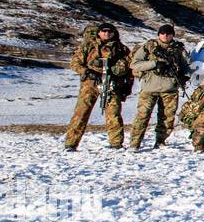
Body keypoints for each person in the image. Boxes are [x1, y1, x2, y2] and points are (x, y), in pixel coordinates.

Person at [66, 22, 132, 151]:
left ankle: (116, 144)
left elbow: (129, 69)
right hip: (90, 84)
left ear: (114, 33)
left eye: (110, 32)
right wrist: (86, 71)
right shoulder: (88, 46)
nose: (106, 34)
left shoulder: (121, 49)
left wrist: (126, 87)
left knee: (114, 114)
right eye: (104, 32)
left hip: (112, 84)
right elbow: (75, 63)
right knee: (81, 113)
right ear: (99, 33)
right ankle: (70, 144)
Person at [128, 23, 190, 150]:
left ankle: (161, 141)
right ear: (159, 35)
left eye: (168, 34)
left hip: (170, 88)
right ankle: (134, 144)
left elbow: (187, 65)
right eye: (163, 33)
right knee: (142, 116)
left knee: (167, 118)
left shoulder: (179, 48)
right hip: (149, 88)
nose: (165, 36)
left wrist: (184, 76)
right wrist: (154, 64)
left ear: (172, 35)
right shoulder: (148, 46)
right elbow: (135, 64)